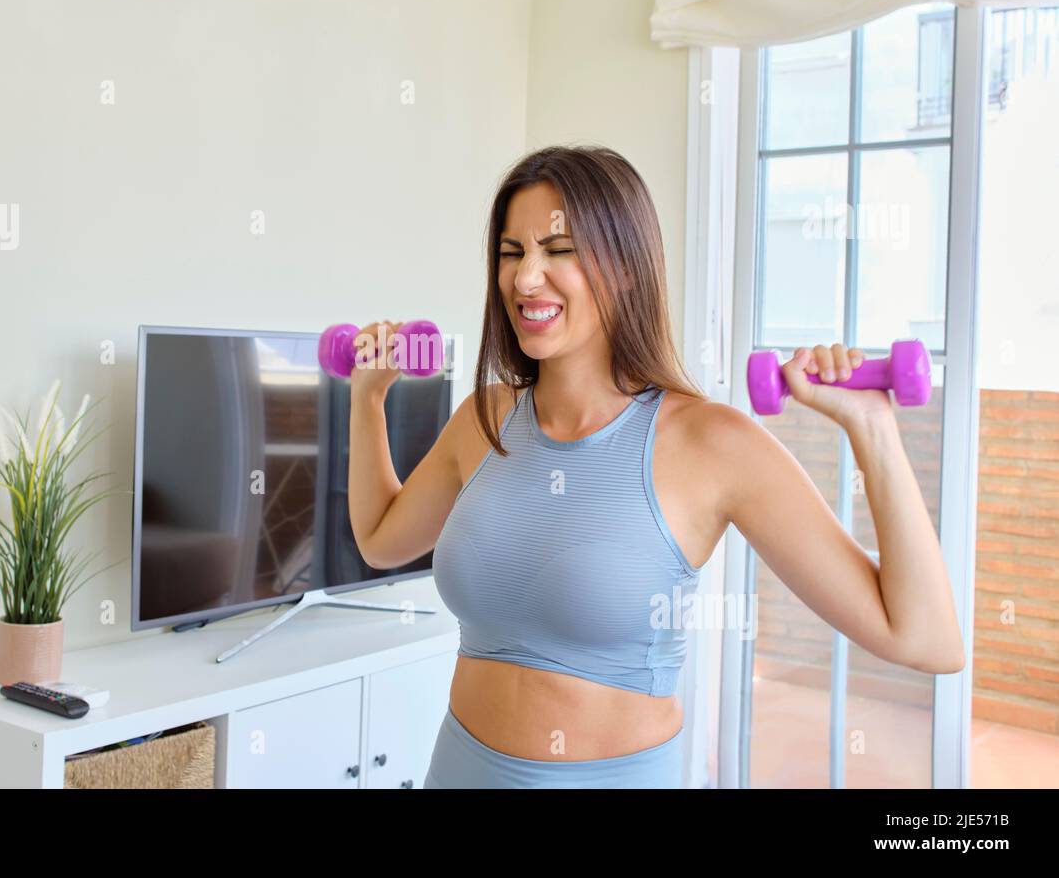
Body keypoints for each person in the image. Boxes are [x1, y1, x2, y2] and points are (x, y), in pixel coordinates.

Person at [345, 144, 965, 788]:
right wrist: (367, 398)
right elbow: (380, 539)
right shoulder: (486, 416)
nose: (526, 279)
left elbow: (924, 640)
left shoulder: (710, 442)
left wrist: (873, 429)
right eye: (511, 252)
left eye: (558, 251)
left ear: (629, 267)